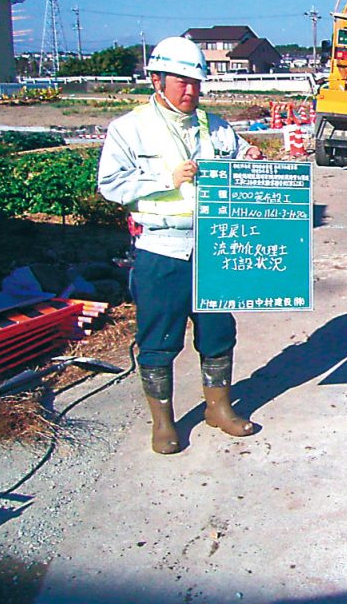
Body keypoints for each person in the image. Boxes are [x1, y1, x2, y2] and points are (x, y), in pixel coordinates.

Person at [98, 36, 264, 454]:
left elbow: (241, 155)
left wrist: (254, 157)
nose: (189, 90)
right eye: (180, 81)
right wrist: (165, 179)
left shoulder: (216, 127)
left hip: (214, 246)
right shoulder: (129, 128)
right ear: (157, 80)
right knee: (159, 336)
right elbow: (110, 184)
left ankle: (219, 408)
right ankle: (164, 423)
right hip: (161, 248)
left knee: (217, 330)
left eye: (195, 82)